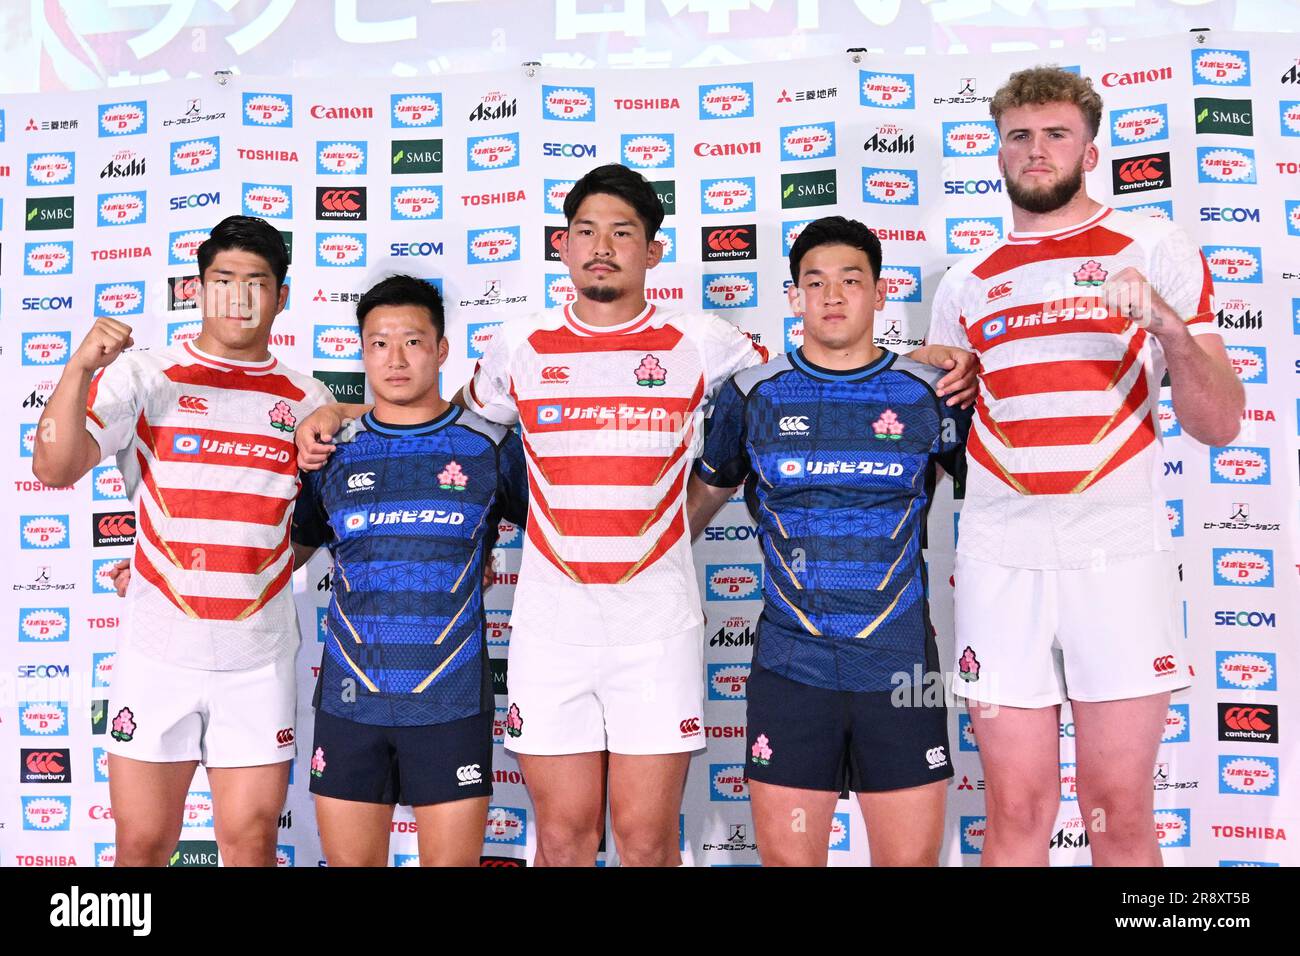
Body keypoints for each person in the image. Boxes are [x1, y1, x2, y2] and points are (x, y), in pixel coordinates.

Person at [296, 164, 977, 866]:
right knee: (562, 841)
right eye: (586, 231)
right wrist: (342, 413)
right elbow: (435, 424)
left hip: (657, 625)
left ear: (651, 252)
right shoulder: (517, 345)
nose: (601, 246)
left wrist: (917, 364)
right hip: (551, 629)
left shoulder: (708, 342)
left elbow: (816, 379)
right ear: (561, 245)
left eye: (622, 233)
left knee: (649, 843)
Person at [926, 66, 1245, 866]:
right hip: (1000, 555)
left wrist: (1170, 329)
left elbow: (1221, 423)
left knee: (1117, 810)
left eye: (1056, 134)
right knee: (1017, 812)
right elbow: (948, 421)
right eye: (1020, 136)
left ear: (1090, 149)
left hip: (1118, 551)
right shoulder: (965, 282)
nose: (1037, 151)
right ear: (997, 152)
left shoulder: (1154, 245)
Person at [33, 216, 333, 866]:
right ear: (198, 288)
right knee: (141, 847)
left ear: (282, 296)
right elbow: (53, 469)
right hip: (157, 655)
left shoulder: (308, 397)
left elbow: (309, 521)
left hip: (258, 659)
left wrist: (341, 412)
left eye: (257, 282)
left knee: (250, 846)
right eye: (224, 280)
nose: (239, 297)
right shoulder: (146, 375)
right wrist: (80, 366)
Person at [687, 216, 969, 866]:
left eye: (851, 281)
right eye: (815, 283)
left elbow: (1000, 497)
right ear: (795, 298)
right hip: (793, 673)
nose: (833, 297)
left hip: (899, 670)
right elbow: (697, 507)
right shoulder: (751, 395)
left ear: (878, 293)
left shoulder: (930, 393)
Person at [289, 275, 527, 866]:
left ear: (442, 349)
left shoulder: (491, 446)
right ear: (361, 350)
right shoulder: (331, 449)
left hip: (449, 702)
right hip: (351, 703)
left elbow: (556, 546)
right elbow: (283, 555)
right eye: (378, 343)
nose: (395, 359)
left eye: (413, 342)